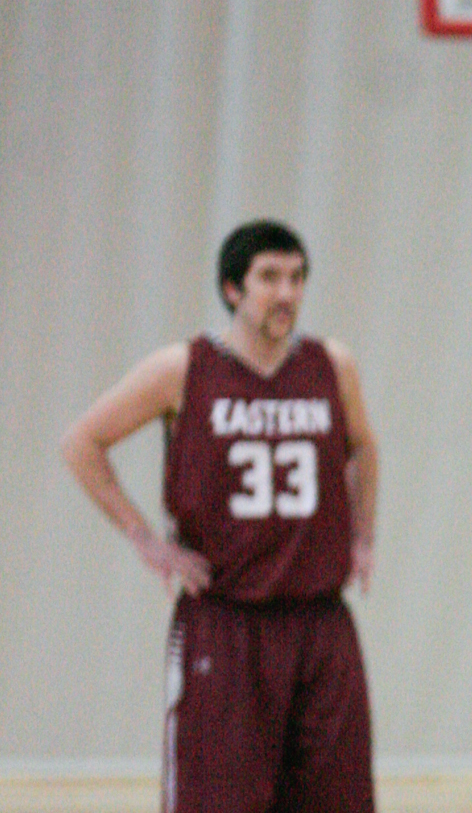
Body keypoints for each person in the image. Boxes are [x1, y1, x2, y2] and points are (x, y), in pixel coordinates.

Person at [61, 219, 380, 813]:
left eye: (296, 277)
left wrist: (363, 534)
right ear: (233, 289)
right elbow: (83, 442)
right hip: (228, 623)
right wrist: (145, 539)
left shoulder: (331, 365)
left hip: (319, 623)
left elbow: (363, 446)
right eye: (269, 278)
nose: (286, 292)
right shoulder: (184, 369)